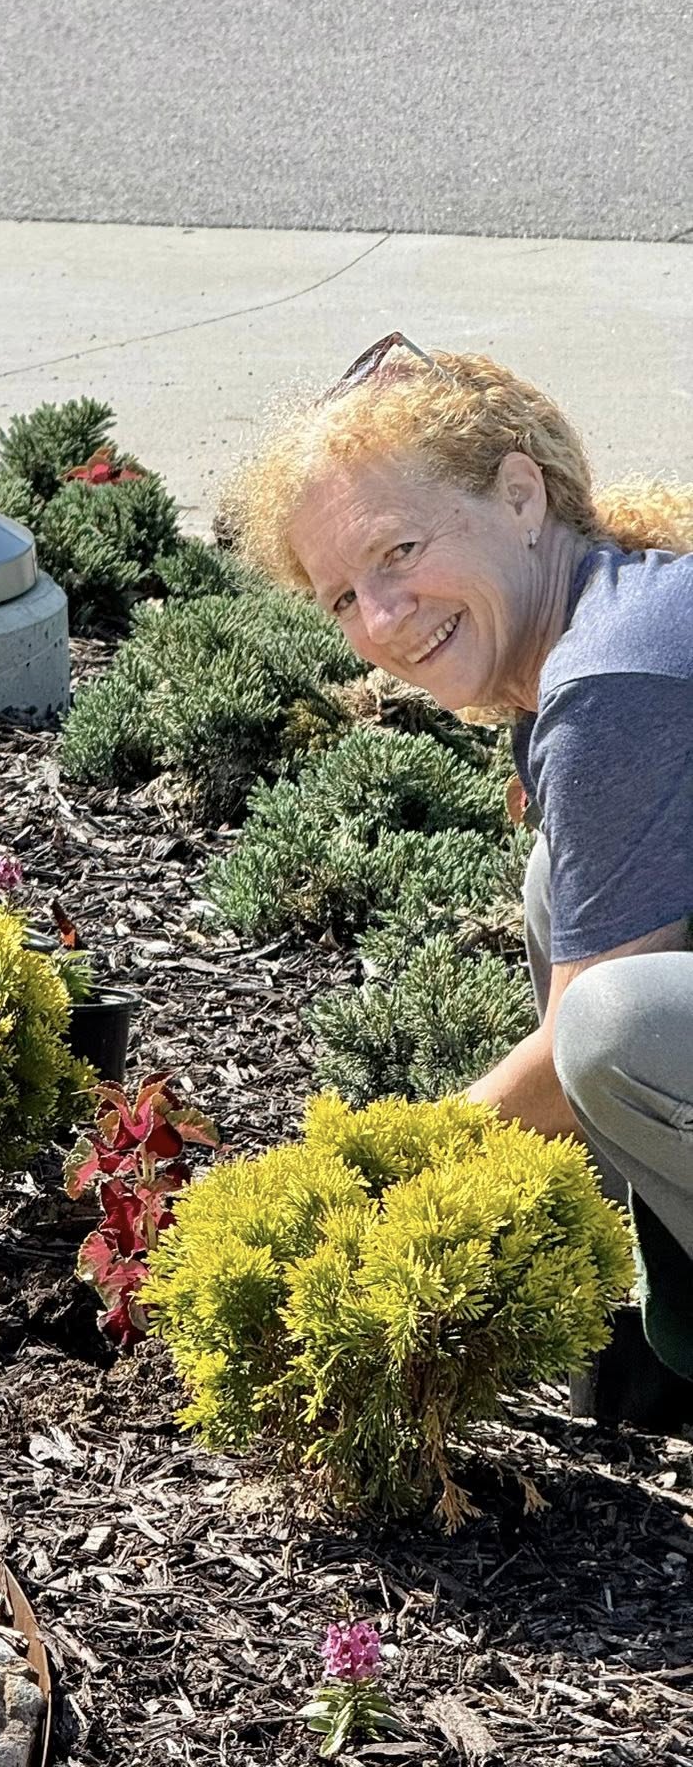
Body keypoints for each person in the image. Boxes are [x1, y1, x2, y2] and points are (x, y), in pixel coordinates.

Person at [224, 336, 693, 1414]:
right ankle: (636, 1343)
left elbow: (583, 1040)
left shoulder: (611, 682)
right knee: (559, 894)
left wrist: (373, 1183)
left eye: (400, 549)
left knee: (612, 1027)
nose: (382, 620)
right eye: (342, 595)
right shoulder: (617, 614)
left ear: (521, 495)